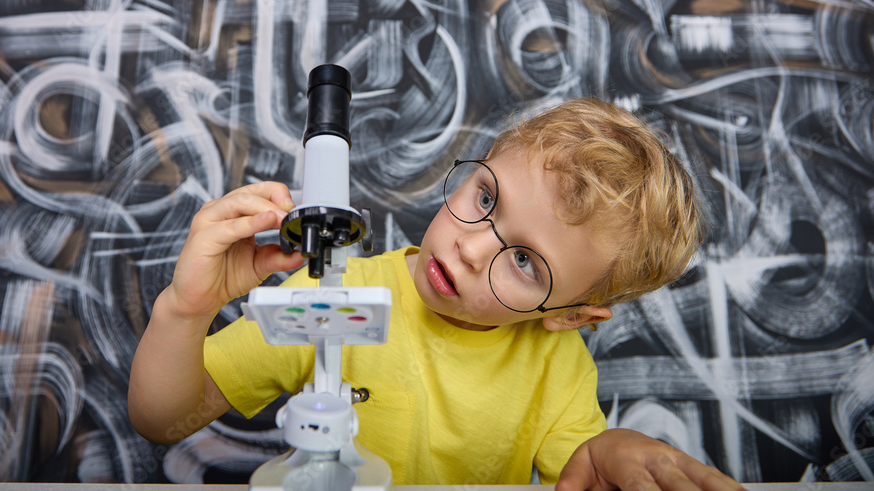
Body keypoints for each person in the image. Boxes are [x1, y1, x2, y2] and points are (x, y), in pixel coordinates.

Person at [128, 98, 744, 489]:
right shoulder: (334, 296)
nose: (472, 248)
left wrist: (617, 447)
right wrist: (186, 308)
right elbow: (161, 419)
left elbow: (586, 463)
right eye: (485, 198)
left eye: (526, 261)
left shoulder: (557, 370)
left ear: (570, 315)